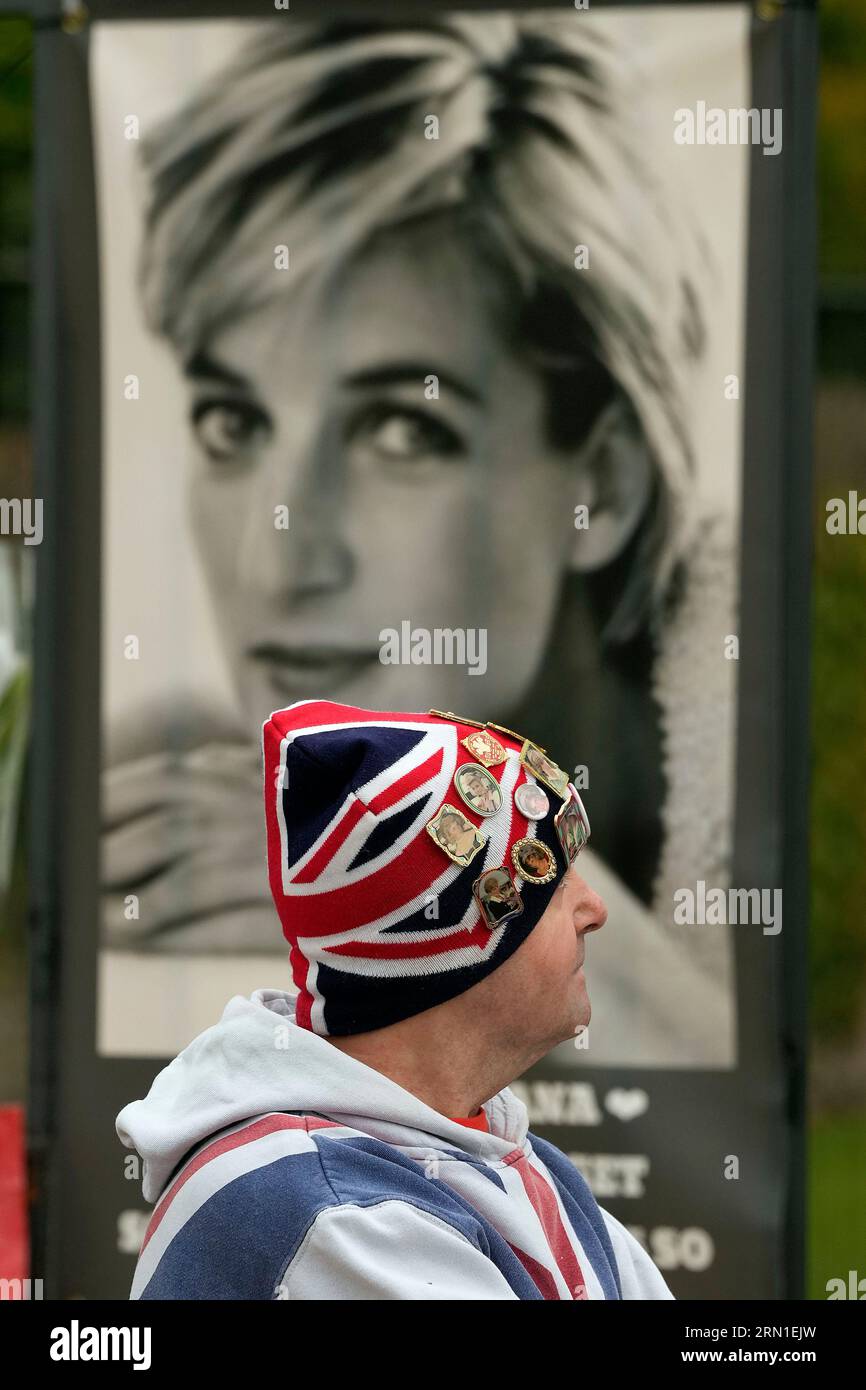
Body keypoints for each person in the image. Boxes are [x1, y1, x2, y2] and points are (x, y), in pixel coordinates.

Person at [101, 13, 736, 1068]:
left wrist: (425, 877)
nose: (277, 561)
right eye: (233, 421)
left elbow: (727, 1086)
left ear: (606, 483)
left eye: (403, 429)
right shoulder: (161, 802)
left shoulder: (748, 746)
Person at [117, 702, 674, 1299]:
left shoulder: (516, 1161)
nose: (595, 910)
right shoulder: (333, 1214)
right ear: (445, 947)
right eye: (552, 880)